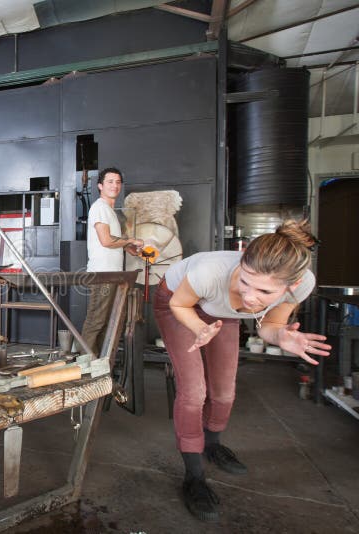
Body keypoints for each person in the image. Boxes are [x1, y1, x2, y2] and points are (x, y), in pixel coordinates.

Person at [153, 219, 331, 522]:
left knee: (224, 389)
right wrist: (199, 329)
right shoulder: (209, 272)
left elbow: (271, 326)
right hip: (179, 303)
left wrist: (281, 336)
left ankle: (213, 444)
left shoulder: (302, 285)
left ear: (293, 286)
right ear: (243, 258)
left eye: (263, 291)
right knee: (195, 390)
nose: (250, 296)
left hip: (220, 309)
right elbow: (181, 305)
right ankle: (194, 476)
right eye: (245, 281)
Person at [82, 167, 143, 356]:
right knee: (96, 321)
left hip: (112, 274)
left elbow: (113, 241)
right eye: (110, 182)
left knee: (107, 321)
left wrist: (129, 248)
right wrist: (131, 240)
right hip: (102, 274)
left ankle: (98, 363)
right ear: (100, 185)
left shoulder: (110, 211)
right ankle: (85, 364)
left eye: (118, 182)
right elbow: (106, 241)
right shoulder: (99, 207)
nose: (114, 185)